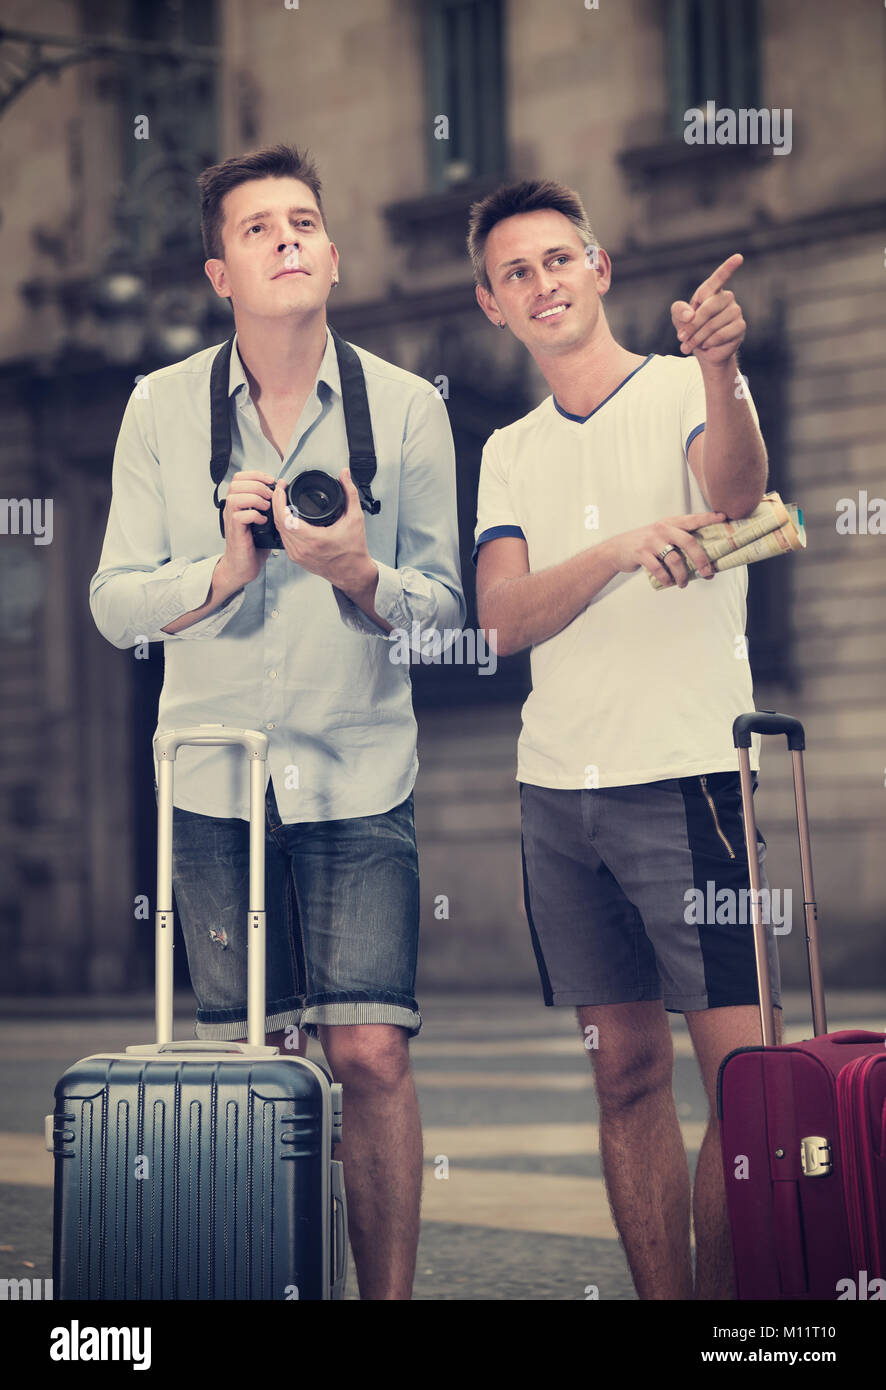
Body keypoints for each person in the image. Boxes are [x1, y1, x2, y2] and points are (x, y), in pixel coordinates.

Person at [89, 143, 465, 1300]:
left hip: (356, 773)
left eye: (303, 221)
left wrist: (358, 571)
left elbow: (447, 613)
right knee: (260, 1062)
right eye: (259, 228)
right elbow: (112, 604)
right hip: (213, 783)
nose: (288, 238)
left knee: (370, 1051)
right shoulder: (159, 407)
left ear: (335, 255)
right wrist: (220, 569)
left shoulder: (406, 409)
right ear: (220, 273)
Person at [467, 178, 783, 1301]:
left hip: (691, 776)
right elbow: (499, 620)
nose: (542, 281)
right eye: (516, 271)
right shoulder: (506, 450)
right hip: (559, 797)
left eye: (559, 259)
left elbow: (737, 491)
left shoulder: (679, 394)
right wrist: (611, 552)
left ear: (598, 269)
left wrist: (722, 368)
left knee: (741, 1089)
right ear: (491, 303)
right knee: (625, 1082)